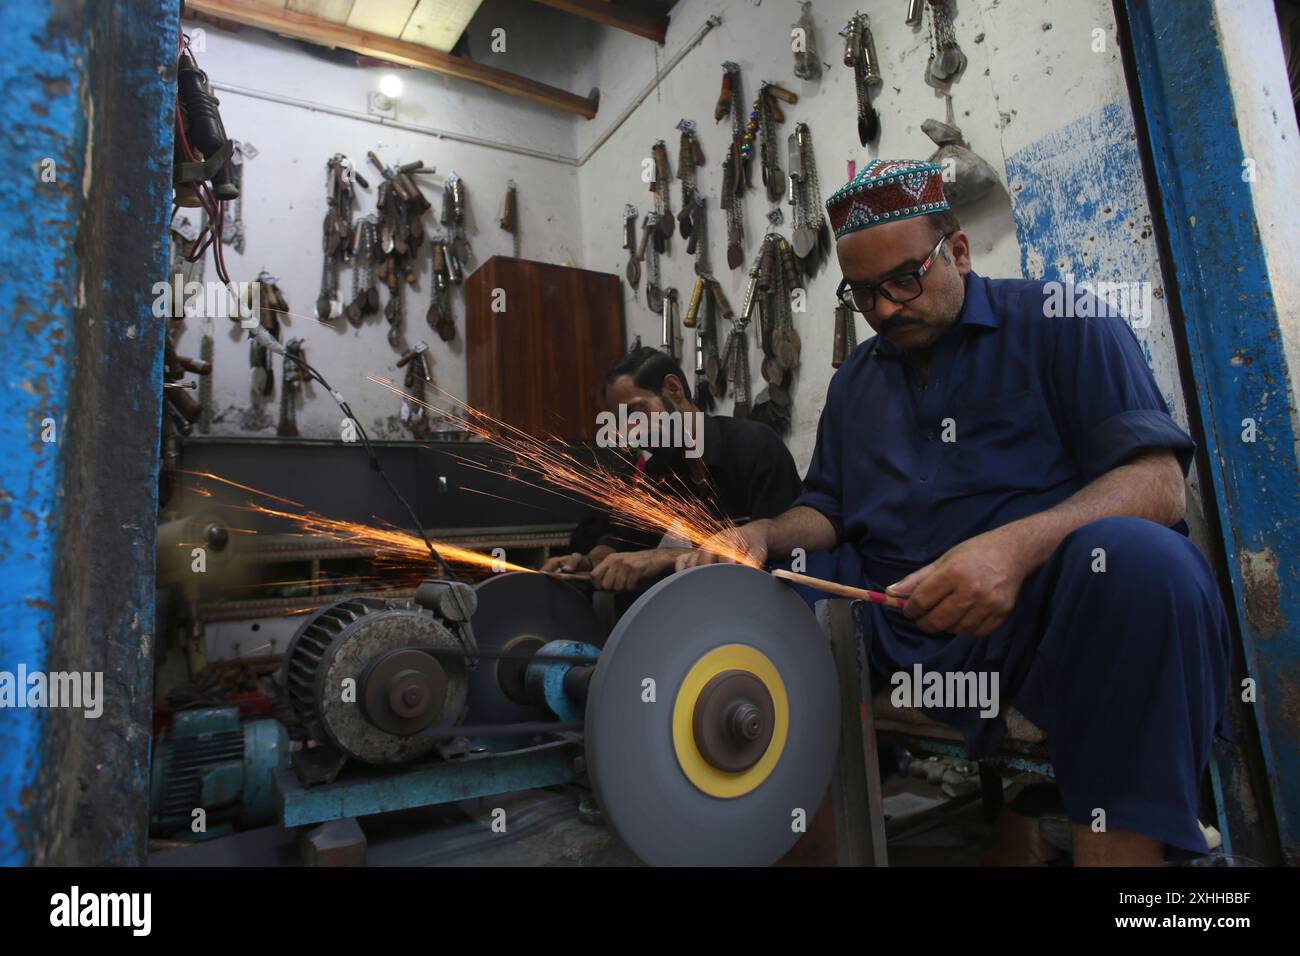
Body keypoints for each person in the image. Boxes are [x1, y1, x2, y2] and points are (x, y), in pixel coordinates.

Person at [679, 159, 1230, 867]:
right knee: (768, 590)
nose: (884, 310)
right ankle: (813, 851)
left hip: (1034, 626)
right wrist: (761, 531)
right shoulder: (855, 387)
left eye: (903, 281)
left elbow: (1156, 484)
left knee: (1147, 563)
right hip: (891, 621)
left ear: (959, 252)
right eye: (864, 294)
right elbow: (829, 509)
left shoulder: (1063, 324)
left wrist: (1014, 548)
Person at [543, 347, 801, 594]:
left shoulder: (755, 447)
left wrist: (664, 557)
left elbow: (782, 553)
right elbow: (627, 540)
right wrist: (589, 562)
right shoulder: (660, 472)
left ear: (673, 389)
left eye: (635, 414)